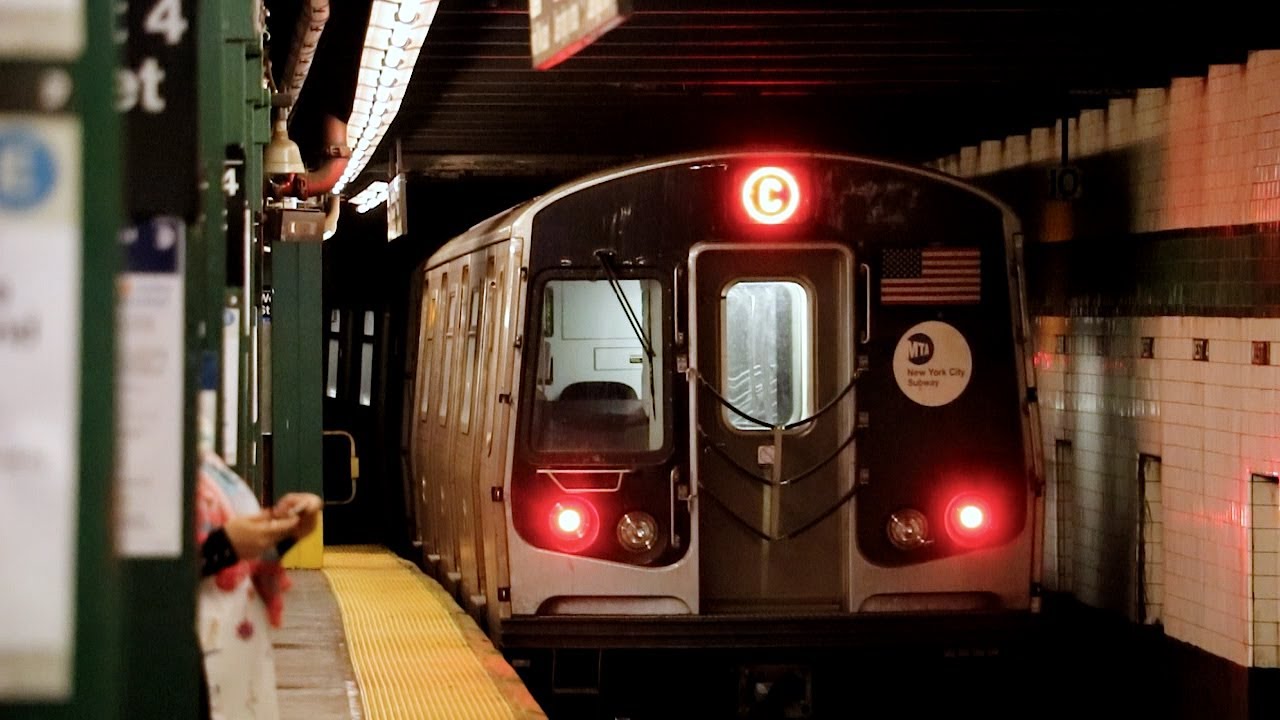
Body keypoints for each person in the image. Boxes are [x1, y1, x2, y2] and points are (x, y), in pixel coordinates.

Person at [195, 449, 322, 720]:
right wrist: (225, 546)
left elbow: (245, 561)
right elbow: (149, 574)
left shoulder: (208, 465)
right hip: (194, 668)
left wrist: (285, 531)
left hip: (238, 666)